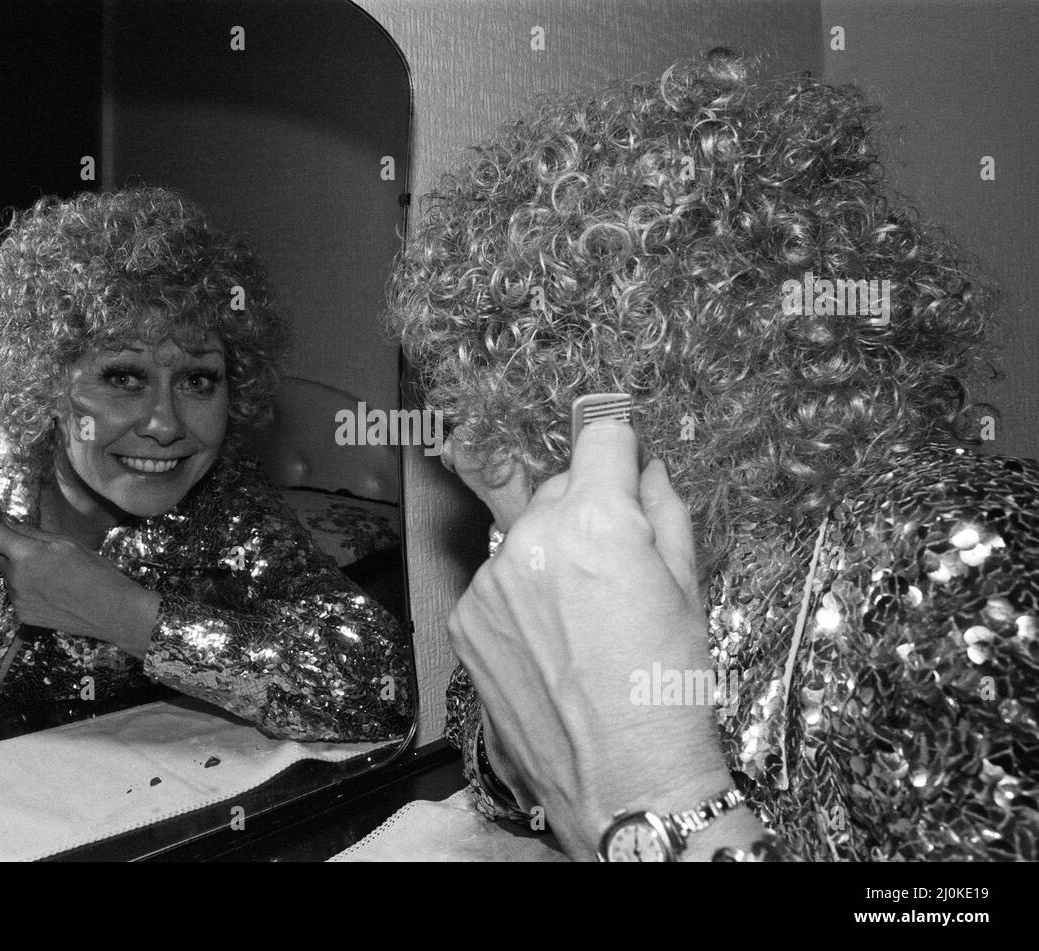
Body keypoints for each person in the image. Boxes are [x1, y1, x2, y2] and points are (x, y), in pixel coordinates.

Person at [388, 53, 1038, 861]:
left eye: (471, 411)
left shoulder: (958, 558)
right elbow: (481, 721)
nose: (449, 452)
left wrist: (653, 805)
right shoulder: (663, 543)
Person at [0, 186, 412, 760]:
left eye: (198, 380)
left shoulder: (223, 507)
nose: (166, 425)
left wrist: (127, 614)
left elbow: (379, 688)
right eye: (123, 378)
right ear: (45, 380)